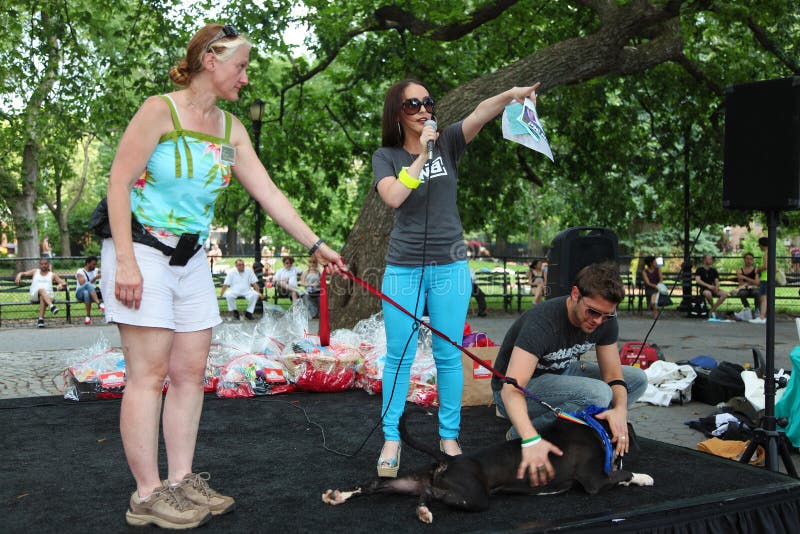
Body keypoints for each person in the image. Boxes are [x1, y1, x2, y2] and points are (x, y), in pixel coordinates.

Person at [100, 23, 345, 529]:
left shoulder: (232, 129)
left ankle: (182, 480)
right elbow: (119, 183)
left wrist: (316, 246)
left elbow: (270, 193)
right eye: (241, 66)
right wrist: (124, 260)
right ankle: (146, 494)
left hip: (191, 260)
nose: (246, 77)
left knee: (190, 373)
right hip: (142, 251)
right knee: (147, 376)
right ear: (211, 60)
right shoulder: (158, 110)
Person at [371, 77, 541, 477]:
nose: (424, 109)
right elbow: (394, 196)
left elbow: (481, 112)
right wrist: (422, 156)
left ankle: (449, 436)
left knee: (449, 354)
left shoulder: (448, 141)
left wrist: (510, 95)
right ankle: (391, 438)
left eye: (427, 102)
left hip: (449, 266)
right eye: (413, 104)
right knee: (399, 356)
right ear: (397, 112)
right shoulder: (386, 155)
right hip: (403, 267)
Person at [491, 262, 648, 485]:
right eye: (593, 312)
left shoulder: (604, 320)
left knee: (637, 380)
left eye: (607, 316)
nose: (598, 321)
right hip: (519, 388)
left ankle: (584, 429)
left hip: (561, 372)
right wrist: (529, 439)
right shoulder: (543, 322)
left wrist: (620, 410)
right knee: (598, 394)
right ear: (575, 294)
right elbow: (511, 389)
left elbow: (613, 375)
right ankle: (521, 431)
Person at [15, 258, 67, 328]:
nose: (44, 265)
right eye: (42, 264)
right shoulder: (35, 271)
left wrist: (61, 285)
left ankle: (41, 320)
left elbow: (64, 283)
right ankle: (52, 306)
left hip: (48, 296)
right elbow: (24, 273)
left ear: (48, 265)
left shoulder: (52, 275)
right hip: (34, 295)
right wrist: (19, 274)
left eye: (45, 264)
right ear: (39, 265)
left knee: (43, 296)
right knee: (41, 290)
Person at [694, 254, 727, 319]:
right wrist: (708, 286)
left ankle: (712, 310)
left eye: (711, 259)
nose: (711, 260)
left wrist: (716, 288)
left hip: (713, 288)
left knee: (725, 294)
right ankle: (713, 309)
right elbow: (698, 280)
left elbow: (717, 281)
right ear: (704, 260)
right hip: (704, 289)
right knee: (708, 294)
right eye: (709, 259)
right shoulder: (699, 270)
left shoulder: (714, 270)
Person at [75, 256, 105, 325]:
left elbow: (104, 271)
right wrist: (95, 278)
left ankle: (88, 317)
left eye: (95, 264)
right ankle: (99, 304)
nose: (95, 266)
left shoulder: (95, 270)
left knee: (86, 293)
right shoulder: (80, 271)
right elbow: (82, 284)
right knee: (87, 286)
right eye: (93, 264)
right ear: (87, 264)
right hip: (79, 293)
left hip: (91, 294)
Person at [733, 252, 759, 321]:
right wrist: (751, 281)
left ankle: (757, 310)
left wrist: (744, 277)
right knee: (742, 293)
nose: (749, 260)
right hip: (744, 288)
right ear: (744, 259)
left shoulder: (756, 269)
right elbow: (741, 284)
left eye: (751, 259)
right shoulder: (739, 270)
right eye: (747, 258)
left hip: (753, 288)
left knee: (757, 293)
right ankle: (748, 309)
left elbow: (756, 282)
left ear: (752, 260)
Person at [750, 238, 769, 324]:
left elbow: (766, 266)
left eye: (759, 245)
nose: (759, 247)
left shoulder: (766, 254)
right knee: (765, 298)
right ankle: (763, 316)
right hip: (767, 278)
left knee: (763, 299)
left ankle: (761, 317)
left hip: (765, 278)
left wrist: (758, 269)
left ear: (762, 245)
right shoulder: (770, 253)